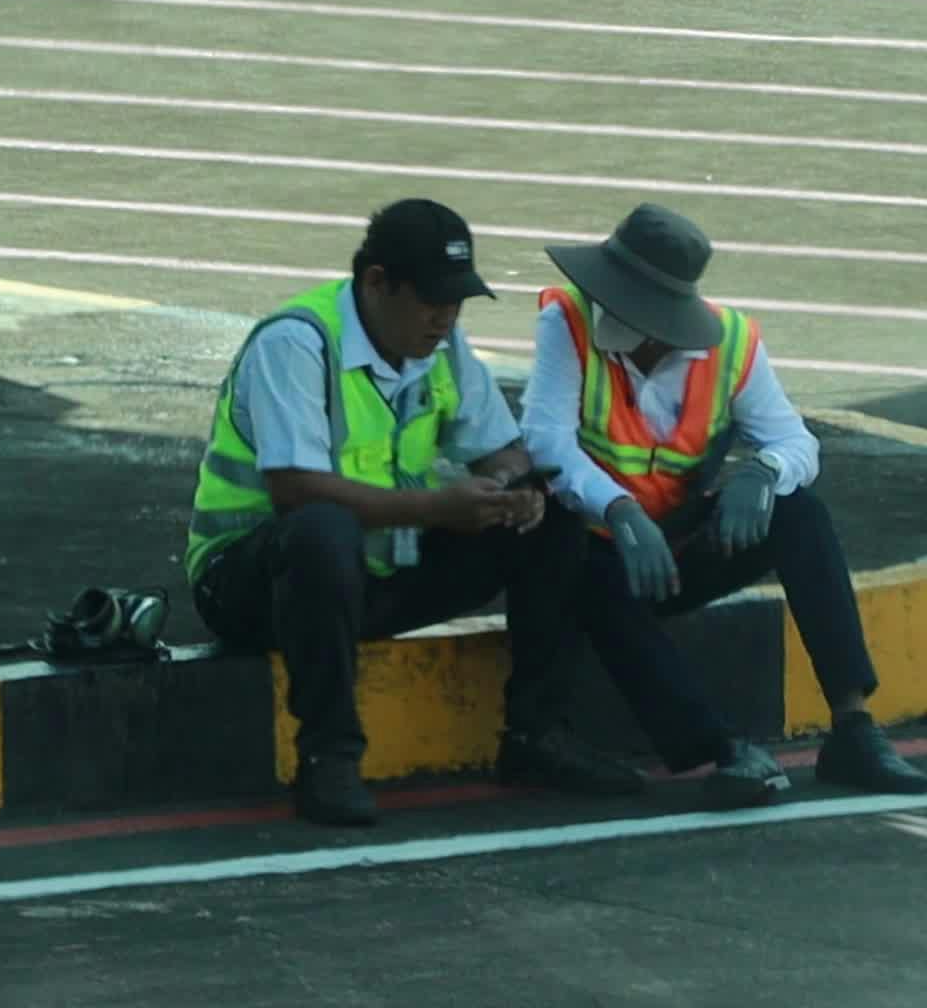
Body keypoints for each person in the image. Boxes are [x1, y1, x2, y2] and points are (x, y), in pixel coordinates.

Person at [185, 199, 648, 828]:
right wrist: (439, 508)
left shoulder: (442, 345)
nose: (445, 317)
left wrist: (509, 488)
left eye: (456, 301)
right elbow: (295, 489)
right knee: (323, 530)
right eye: (431, 300)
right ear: (376, 283)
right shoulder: (296, 343)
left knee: (554, 516)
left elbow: (503, 447)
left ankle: (538, 735)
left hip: (378, 570)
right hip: (254, 583)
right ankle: (329, 759)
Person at [526, 204, 927, 808]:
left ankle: (854, 727)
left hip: (683, 541)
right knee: (584, 573)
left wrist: (762, 474)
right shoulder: (568, 321)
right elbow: (545, 440)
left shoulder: (732, 345)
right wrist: (617, 510)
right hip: (604, 550)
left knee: (800, 514)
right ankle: (724, 751)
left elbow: (796, 443)